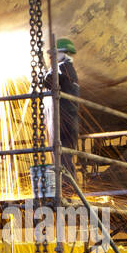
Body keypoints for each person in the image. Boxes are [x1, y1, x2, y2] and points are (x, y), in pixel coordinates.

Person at [44, 37, 83, 183]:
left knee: (62, 157)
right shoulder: (68, 70)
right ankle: (67, 187)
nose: (51, 57)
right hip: (67, 120)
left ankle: (66, 189)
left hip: (63, 121)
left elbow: (49, 81)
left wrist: (39, 72)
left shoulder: (63, 68)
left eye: (54, 54)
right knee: (63, 156)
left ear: (63, 54)